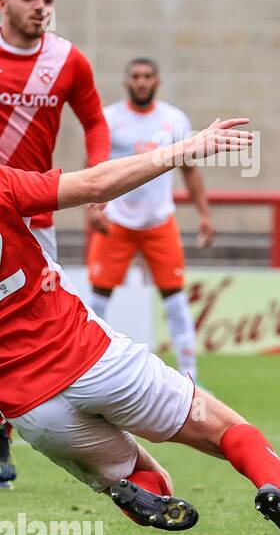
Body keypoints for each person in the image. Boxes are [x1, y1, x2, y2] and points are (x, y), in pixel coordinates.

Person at [0, 117, 280, 535]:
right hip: (96, 362)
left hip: (33, 408)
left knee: (146, 476)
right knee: (225, 430)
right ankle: (274, 489)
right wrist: (184, 149)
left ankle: (129, 490)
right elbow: (96, 184)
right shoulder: (3, 183)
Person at [0, 0, 110, 489]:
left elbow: (95, 122)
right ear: (4, 3)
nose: (40, 5)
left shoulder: (68, 60)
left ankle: (11, 424)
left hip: (35, 218)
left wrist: (95, 189)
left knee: (31, 326)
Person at [86, 58, 210, 382]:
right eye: (136, 77)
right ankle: (86, 372)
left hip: (159, 222)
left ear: (158, 81)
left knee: (175, 298)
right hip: (116, 222)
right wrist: (93, 208)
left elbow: (190, 171)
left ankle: (190, 377)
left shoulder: (174, 120)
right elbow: (93, 169)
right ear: (126, 82)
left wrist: (204, 215)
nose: (142, 82)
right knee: (96, 301)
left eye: (148, 76)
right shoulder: (110, 118)